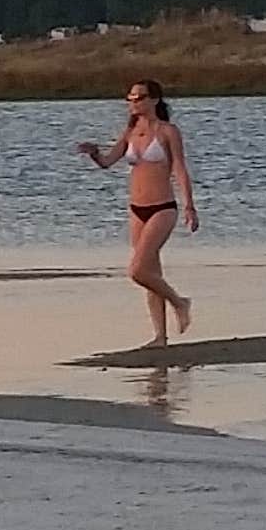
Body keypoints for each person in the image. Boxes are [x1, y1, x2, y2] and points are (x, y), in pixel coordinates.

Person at [78, 79, 199, 347]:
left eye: (139, 97)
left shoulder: (168, 131)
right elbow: (109, 162)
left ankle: (180, 303)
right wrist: (94, 154)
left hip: (163, 207)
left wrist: (190, 205)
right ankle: (160, 336)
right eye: (130, 98)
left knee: (137, 270)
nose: (133, 102)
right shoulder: (130, 131)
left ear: (154, 100)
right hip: (137, 209)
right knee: (150, 271)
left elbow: (179, 169)